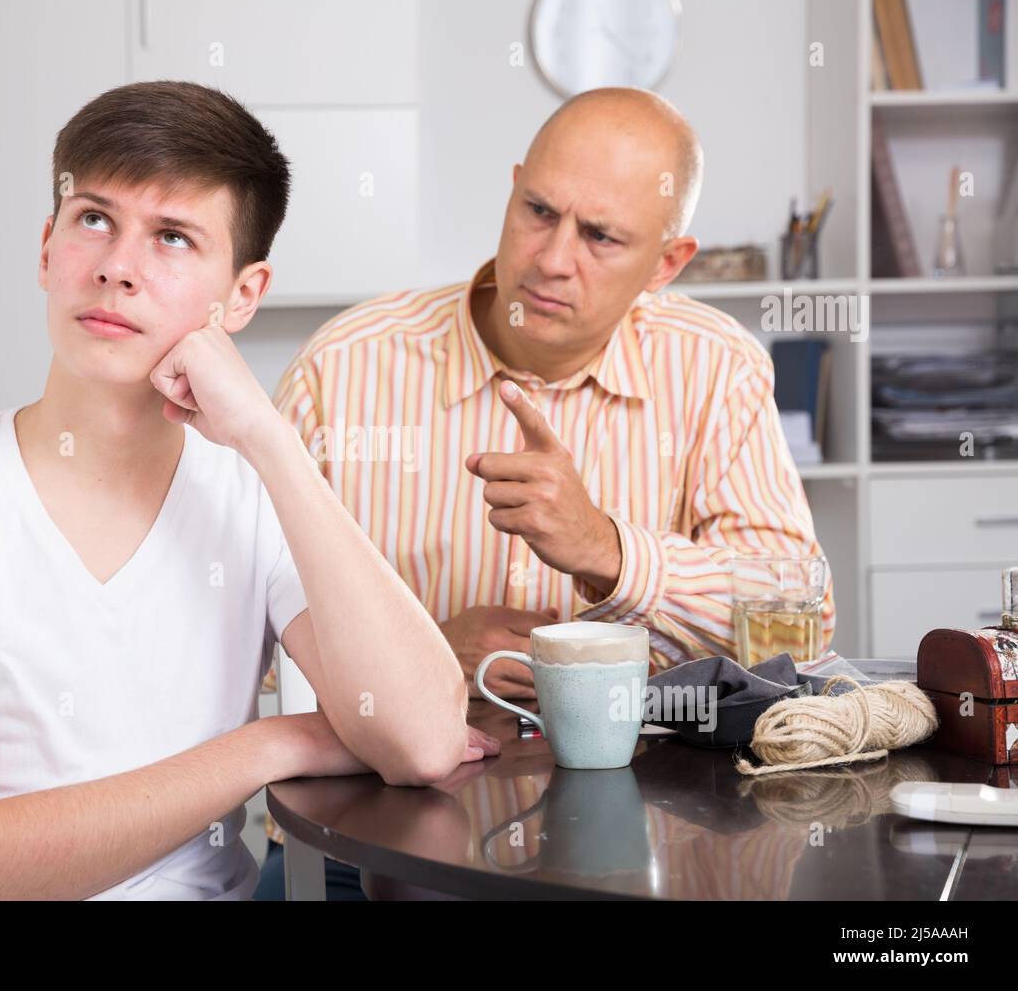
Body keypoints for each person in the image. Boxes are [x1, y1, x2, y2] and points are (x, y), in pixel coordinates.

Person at [0, 81, 499, 901]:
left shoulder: (250, 492)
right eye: (94, 219)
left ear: (241, 295)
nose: (116, 268)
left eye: (172, 237)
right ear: (46, 247)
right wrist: (271, 745)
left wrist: (271, 441)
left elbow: (423, 740)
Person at [253, 87, 836, 897]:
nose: (553, 258)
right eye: (538, 210)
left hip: (644, 842)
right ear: (513, 186)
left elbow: (795, 607)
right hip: (369, 840)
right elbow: (242, 632)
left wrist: (612, 552)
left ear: (666, 263)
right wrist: (413, 662)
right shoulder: (343, 368)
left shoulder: (716, 368)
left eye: (601, 236)